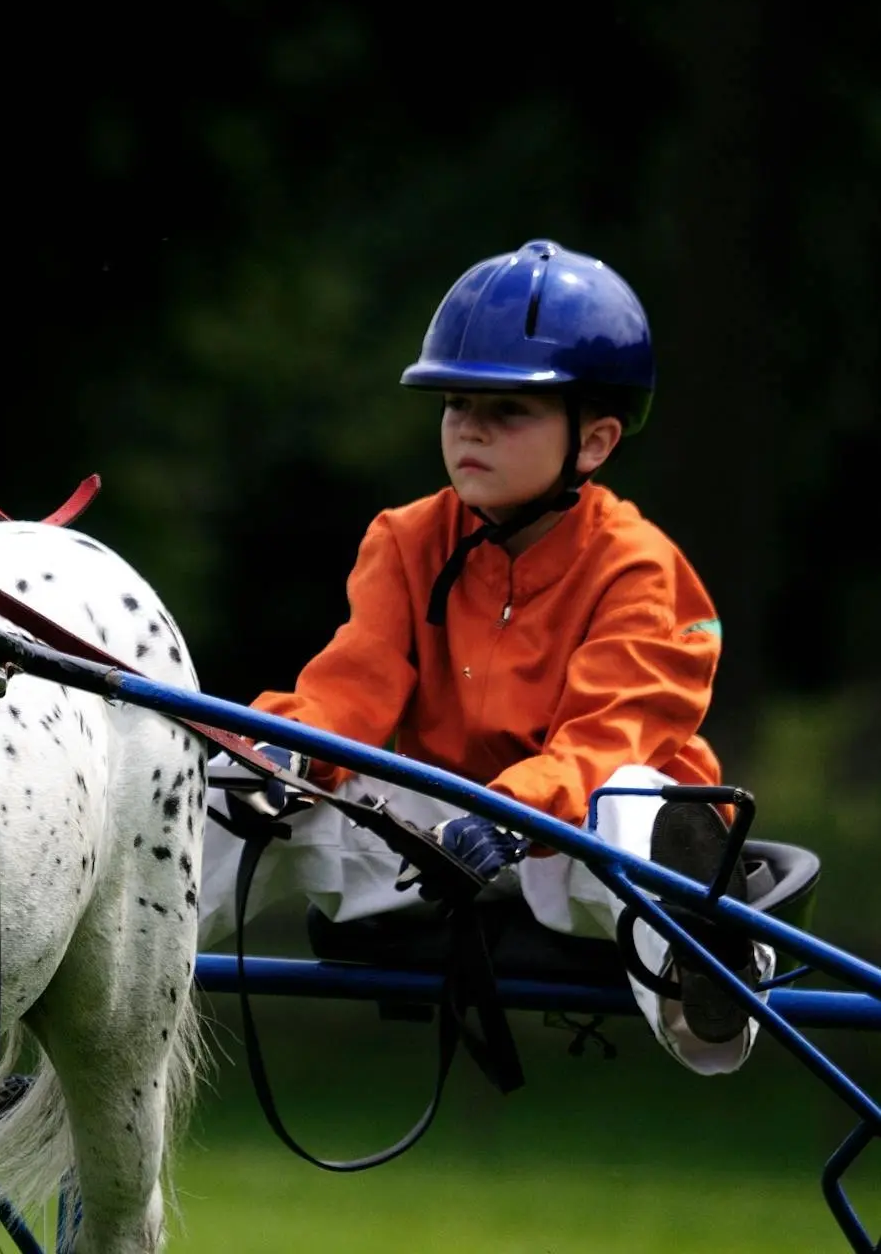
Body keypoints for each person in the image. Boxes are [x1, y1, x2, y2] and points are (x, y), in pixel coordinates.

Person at [199, 238, 772, 1076]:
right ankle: (107, 974)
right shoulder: (403, 539)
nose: (469, 425)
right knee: (238, 775)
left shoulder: (640, 567)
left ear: (595, 440)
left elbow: (606, 740)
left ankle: (707, 985)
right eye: (454, 402)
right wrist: (282, 754)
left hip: (578, 854)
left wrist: (510, 814)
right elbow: (349, 694)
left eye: (507, 410)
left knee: (632, 796)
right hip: (441, 845)